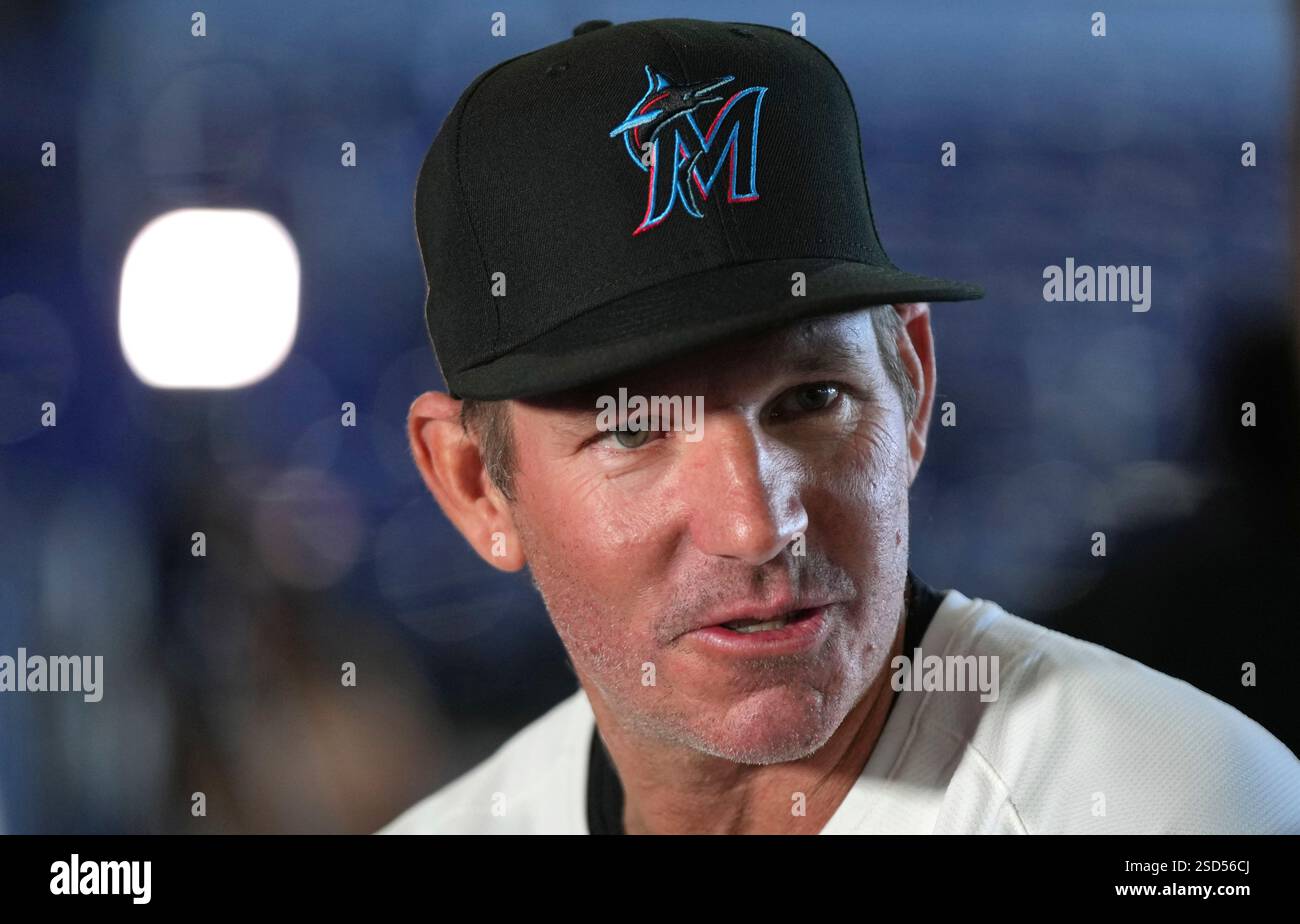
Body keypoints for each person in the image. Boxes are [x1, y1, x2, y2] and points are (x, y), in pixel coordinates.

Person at [381, 18, 1300, 834]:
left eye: (812, 399)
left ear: (911, 384)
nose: (757, 523)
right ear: (472, 484)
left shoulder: (1167, 805)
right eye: (633, 429)